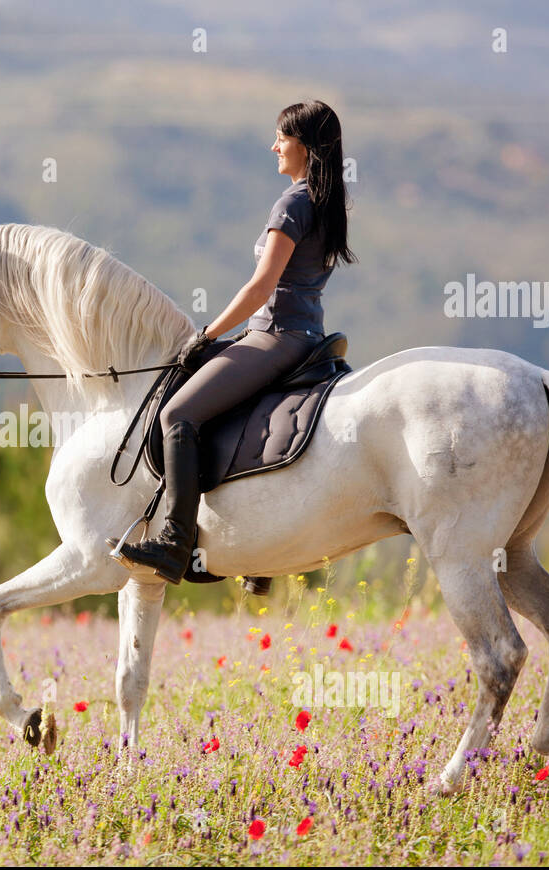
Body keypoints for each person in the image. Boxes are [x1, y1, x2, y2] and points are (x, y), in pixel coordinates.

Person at [109, 99, 358, 584]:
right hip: (307, 336)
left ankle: (174, 542)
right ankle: (253, 542)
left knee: (176, 415)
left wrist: (207, 334)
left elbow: (260, 288)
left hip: (277, 336)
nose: (275, 146)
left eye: (282, 138)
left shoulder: (293, 203)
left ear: (303, 147)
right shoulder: (330, 204)